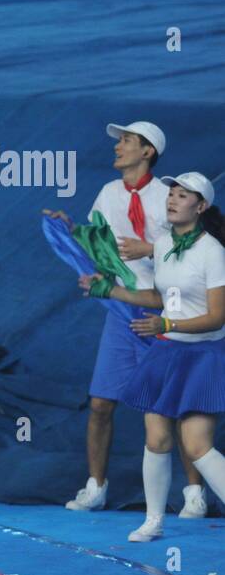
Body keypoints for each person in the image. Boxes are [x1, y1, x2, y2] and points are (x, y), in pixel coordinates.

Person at [45, 121, 206, 514]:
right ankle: (96, 487)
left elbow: (191, 252)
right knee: (101, 403)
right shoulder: (107, 193)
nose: (118, 148)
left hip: (168, 310)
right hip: (122, 310)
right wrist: (71, 231)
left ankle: (194, 493)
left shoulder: (170, 197)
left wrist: (149, 249)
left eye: (127, 142)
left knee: (179, 406)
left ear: (147, 151)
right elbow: (100, 243)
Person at [80, 172, 225, 540]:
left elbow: (217, 316)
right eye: (171, 193)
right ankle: (154, 521)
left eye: (183, 195)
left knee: (196, 446)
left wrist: (167, 323)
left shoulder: (213, 252)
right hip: (166, 351)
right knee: (156, 439)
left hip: (203, 354)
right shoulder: (161, 245)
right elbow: (161, 300)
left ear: (201, 206)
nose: (173, 199)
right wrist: (111, 290)